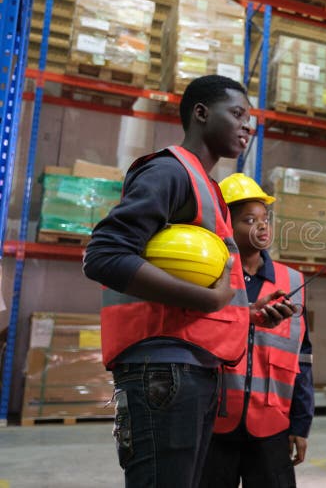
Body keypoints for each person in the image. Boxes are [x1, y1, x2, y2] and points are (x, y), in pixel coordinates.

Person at [83, 75, 296, 488]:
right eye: (236, 114)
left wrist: (245, 315)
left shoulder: (207, 189)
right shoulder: (169, 172)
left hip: (187, 370)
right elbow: (104, 255)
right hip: (162, 371)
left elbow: (193, 285)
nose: (246, 126)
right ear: (200, 113)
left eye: (249, 118)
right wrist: (211, 301)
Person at [199, 173, 314, 488]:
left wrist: (301, 423)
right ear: (225, 225)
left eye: (265, 218)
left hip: (271, 424)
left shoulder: (291, 283)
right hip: (213, 422)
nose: (262, 226)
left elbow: (302, 358)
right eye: (250, 219)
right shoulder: (209, 278)